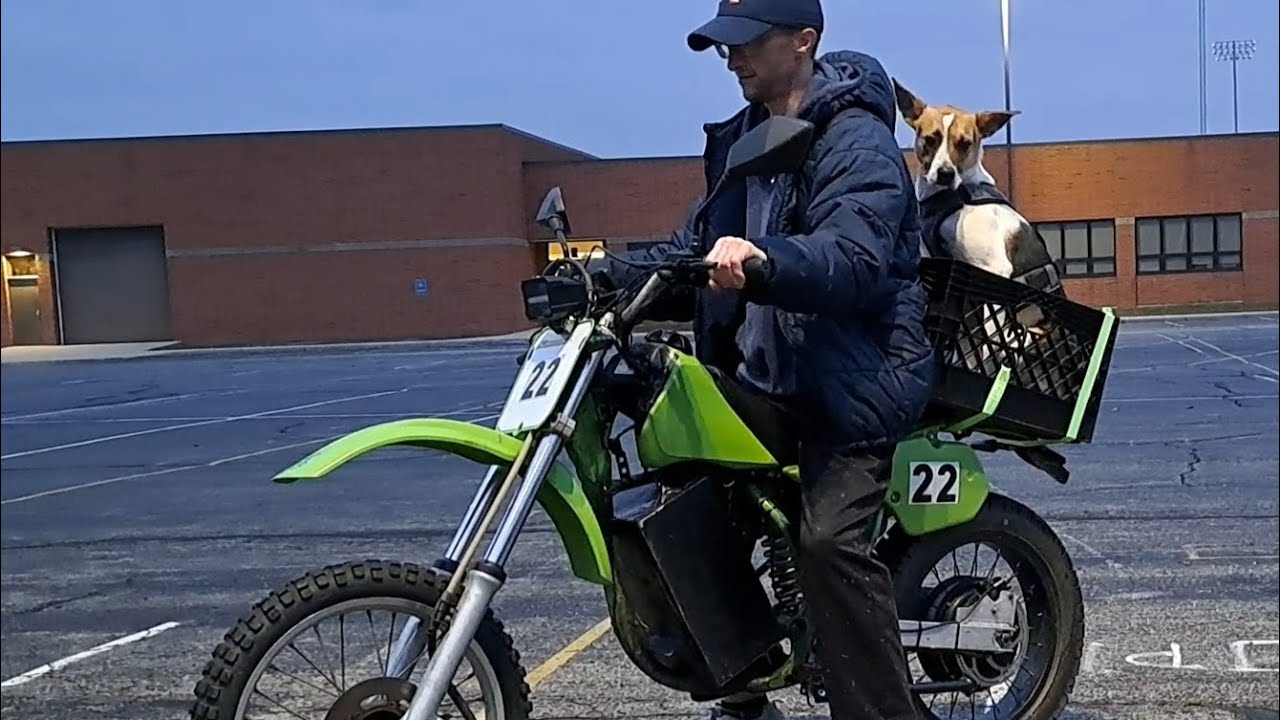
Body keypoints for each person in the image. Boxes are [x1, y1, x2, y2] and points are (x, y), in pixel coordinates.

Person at [587, 0, 934, 718]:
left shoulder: (856, 138)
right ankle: (743, 694)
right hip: (766, 377)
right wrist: (601, 276)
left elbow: (856, 257)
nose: (731, 57)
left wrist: (765, 260)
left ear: (804, 41)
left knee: (828, 543)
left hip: (854, 377)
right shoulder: (747, 139)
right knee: (680, 506)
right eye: (724, 44)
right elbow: (693, 249)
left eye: (746, 42)